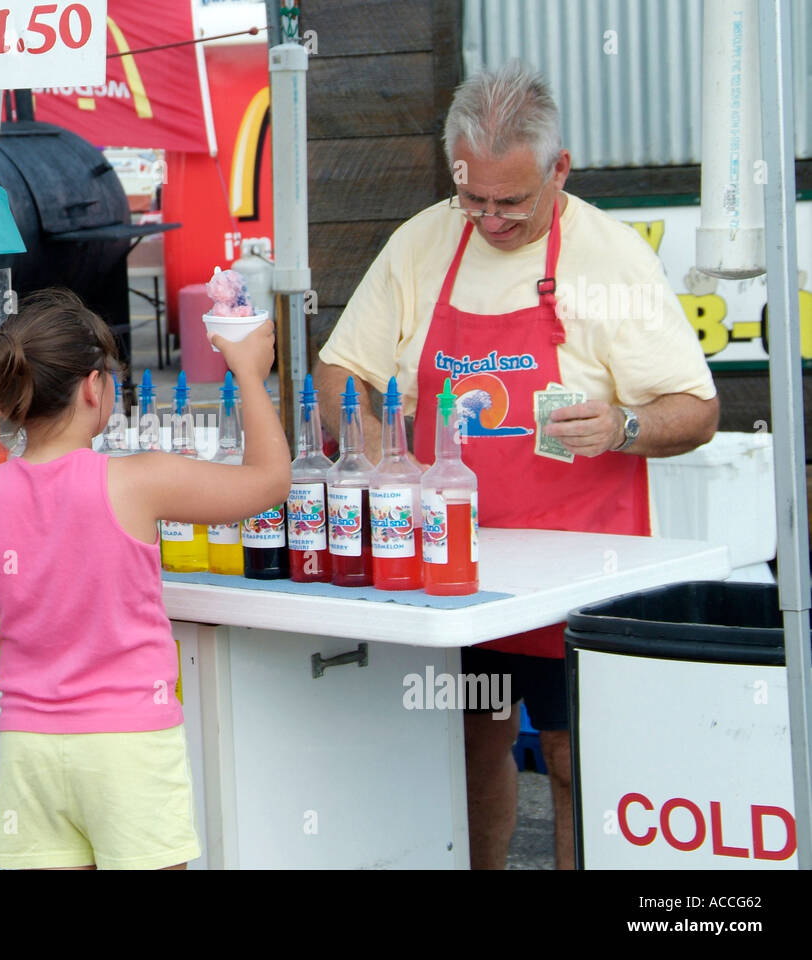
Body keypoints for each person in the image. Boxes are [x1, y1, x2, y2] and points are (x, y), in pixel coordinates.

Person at [312, 62, 719, 870]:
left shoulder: (611, 261)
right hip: (455, 572)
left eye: (512, 203)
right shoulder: (421, 244)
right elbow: (338, 373)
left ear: (559, 170)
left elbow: (697, 410)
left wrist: (627, 423)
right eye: (473, 198)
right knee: (468, 741)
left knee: (573, 760)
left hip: (584, 574)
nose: (489, 221)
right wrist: (379, 457)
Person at [0, 290, 290, 870]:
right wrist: (248, 374)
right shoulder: (137, 481)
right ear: (94, 387)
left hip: (31, 752)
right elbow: (269, 483)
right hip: (129, 746)